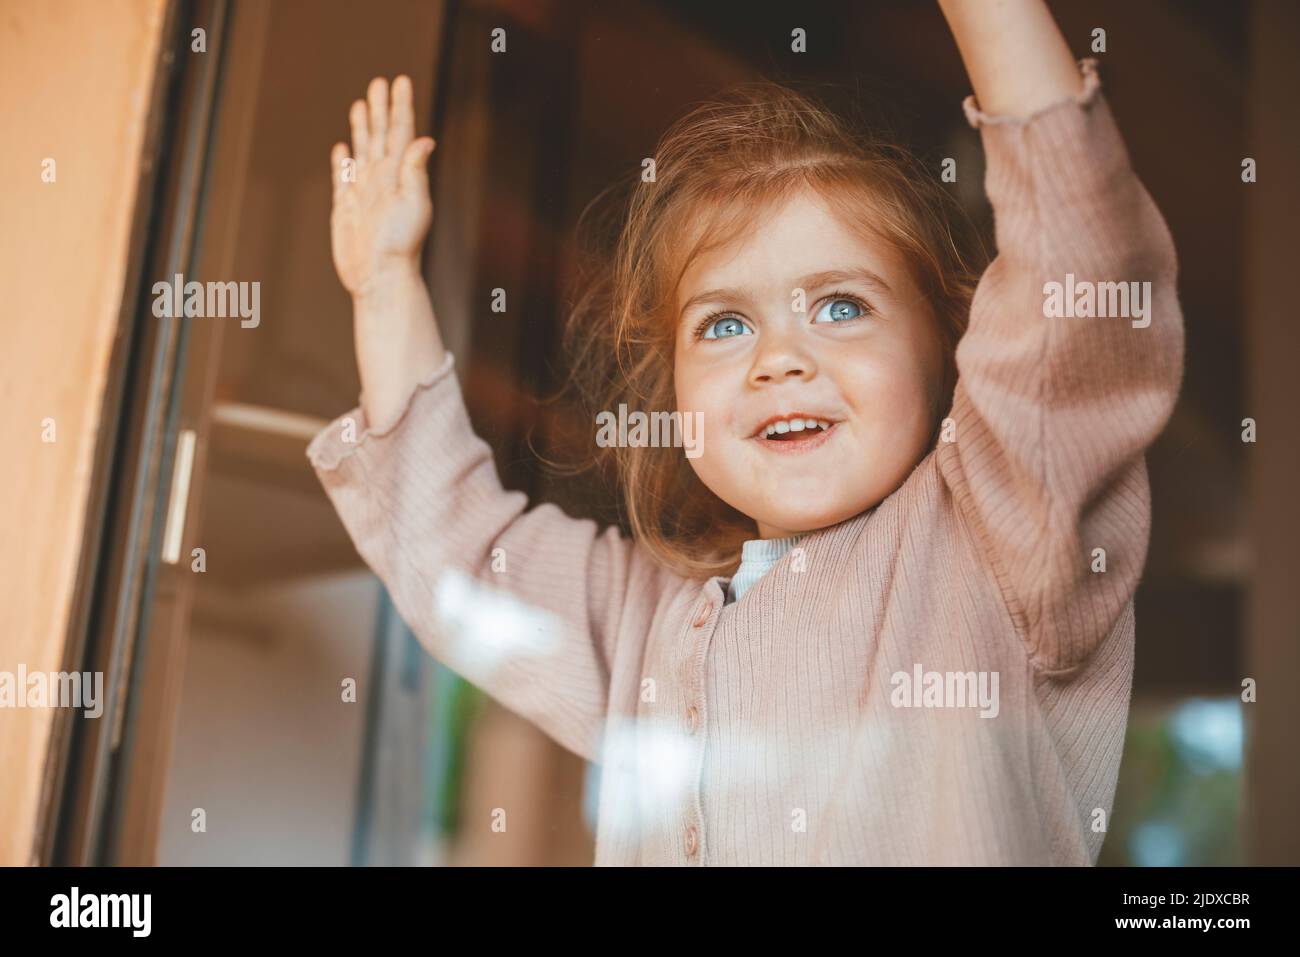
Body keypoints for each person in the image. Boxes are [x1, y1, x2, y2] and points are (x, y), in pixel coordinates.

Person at [308, 0, 1184, 865]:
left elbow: (1078, 275)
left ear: (954, 351)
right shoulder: (640, 618)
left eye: (841, 306)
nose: (778, 359)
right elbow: (452, 552)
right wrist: (386, 286)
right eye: (724, 325)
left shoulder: (998, 539)